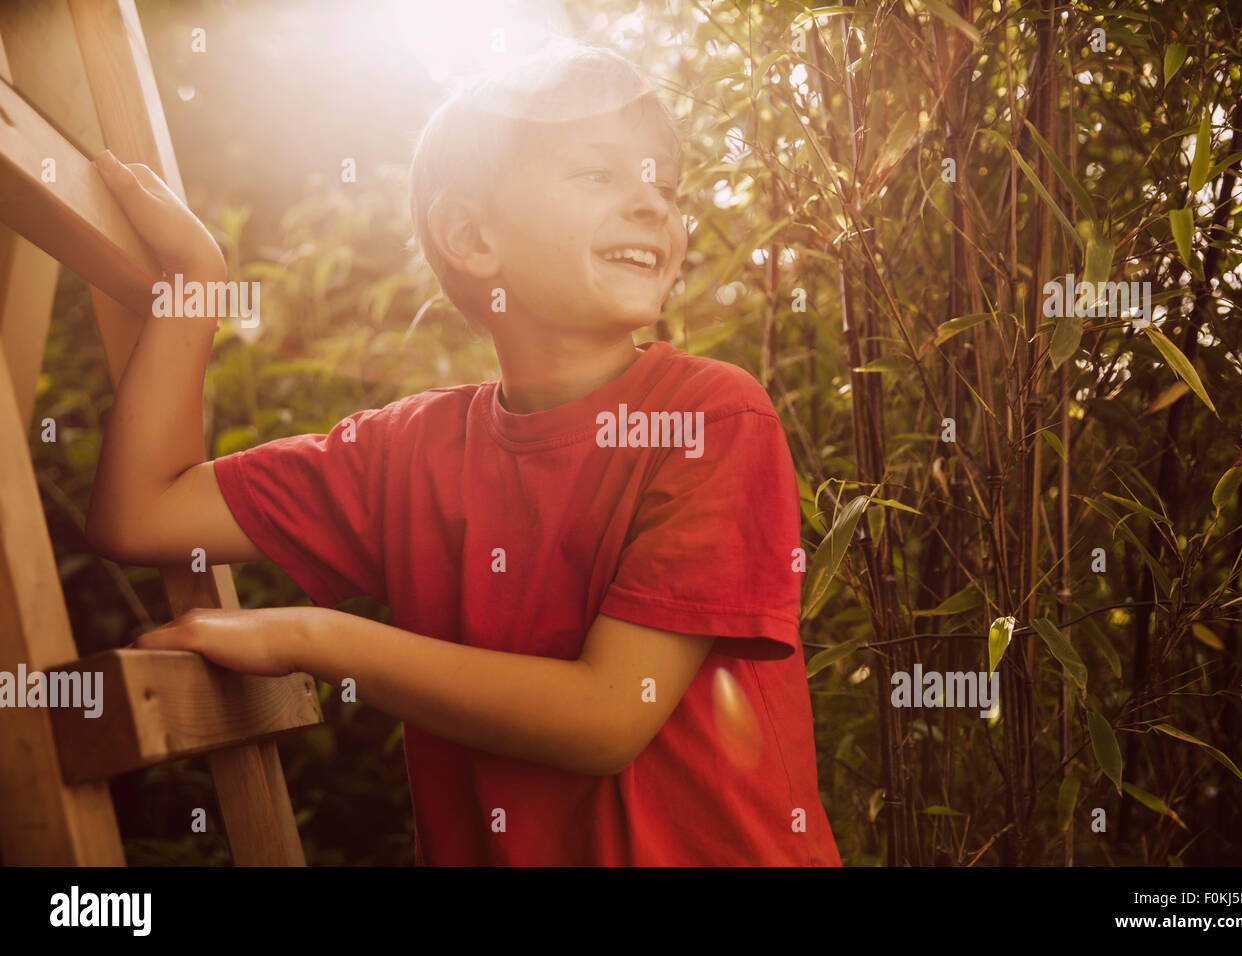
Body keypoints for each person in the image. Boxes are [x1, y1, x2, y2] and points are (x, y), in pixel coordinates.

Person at [86, 40, 841, 866]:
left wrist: (314, 638)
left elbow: (608, 715)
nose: (654, 206)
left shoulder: (712, 416)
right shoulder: (403, 455)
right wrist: (196, 280)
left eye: (665, 185)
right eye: (600, 175)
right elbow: (142, 514)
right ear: (472, 234)